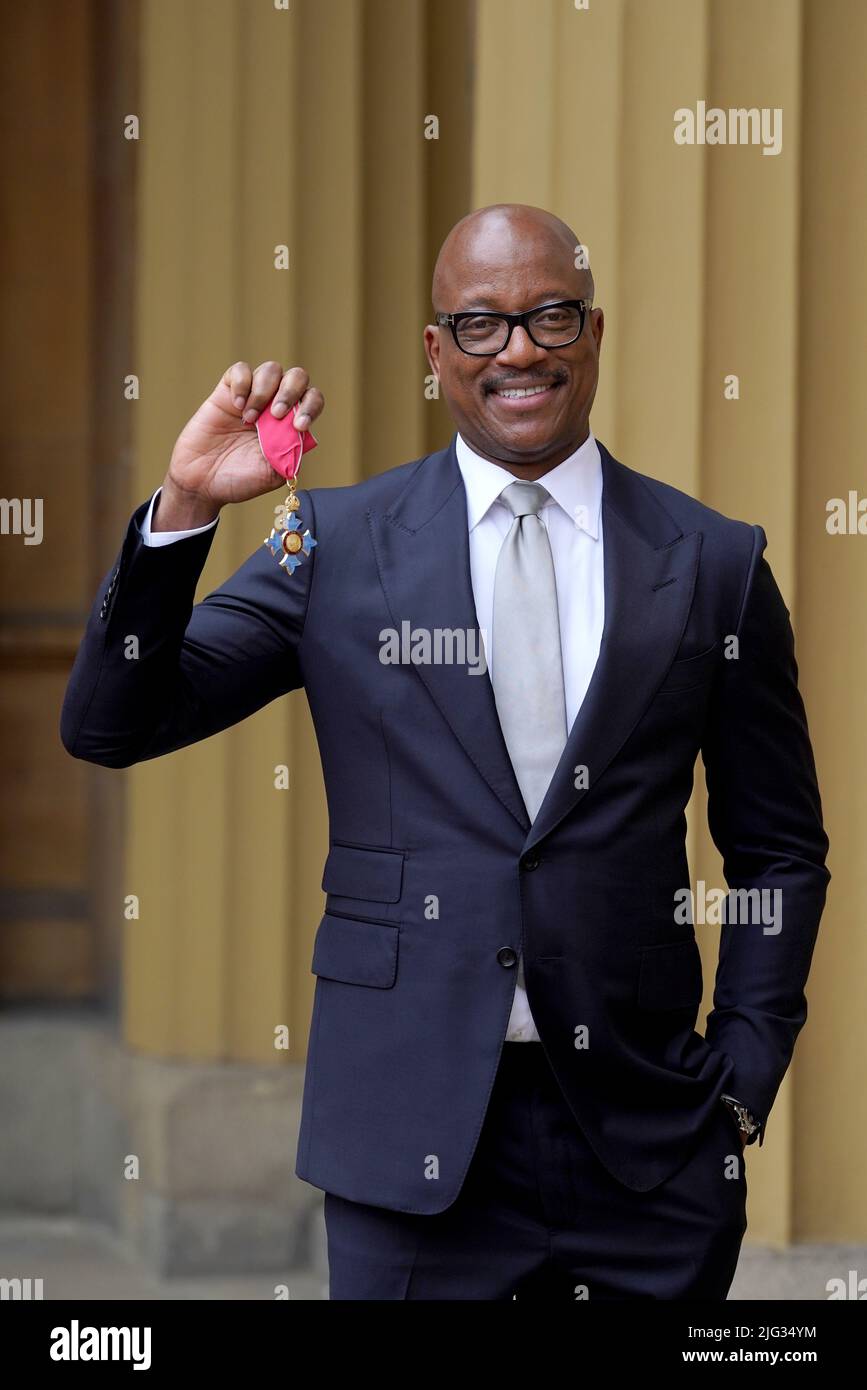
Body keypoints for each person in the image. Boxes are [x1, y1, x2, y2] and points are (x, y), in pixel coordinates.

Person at [61, 204, 830, 1300]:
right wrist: (183, 506)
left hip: (648, 1144)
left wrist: (744, 1075)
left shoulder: (710, 561)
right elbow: (110, 723)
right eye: (480, 325)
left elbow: (779, 850)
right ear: (437, 354)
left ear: (594, 332)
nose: (518, 349)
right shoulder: (333, 547)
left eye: (549, 316)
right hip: (407, 1142)